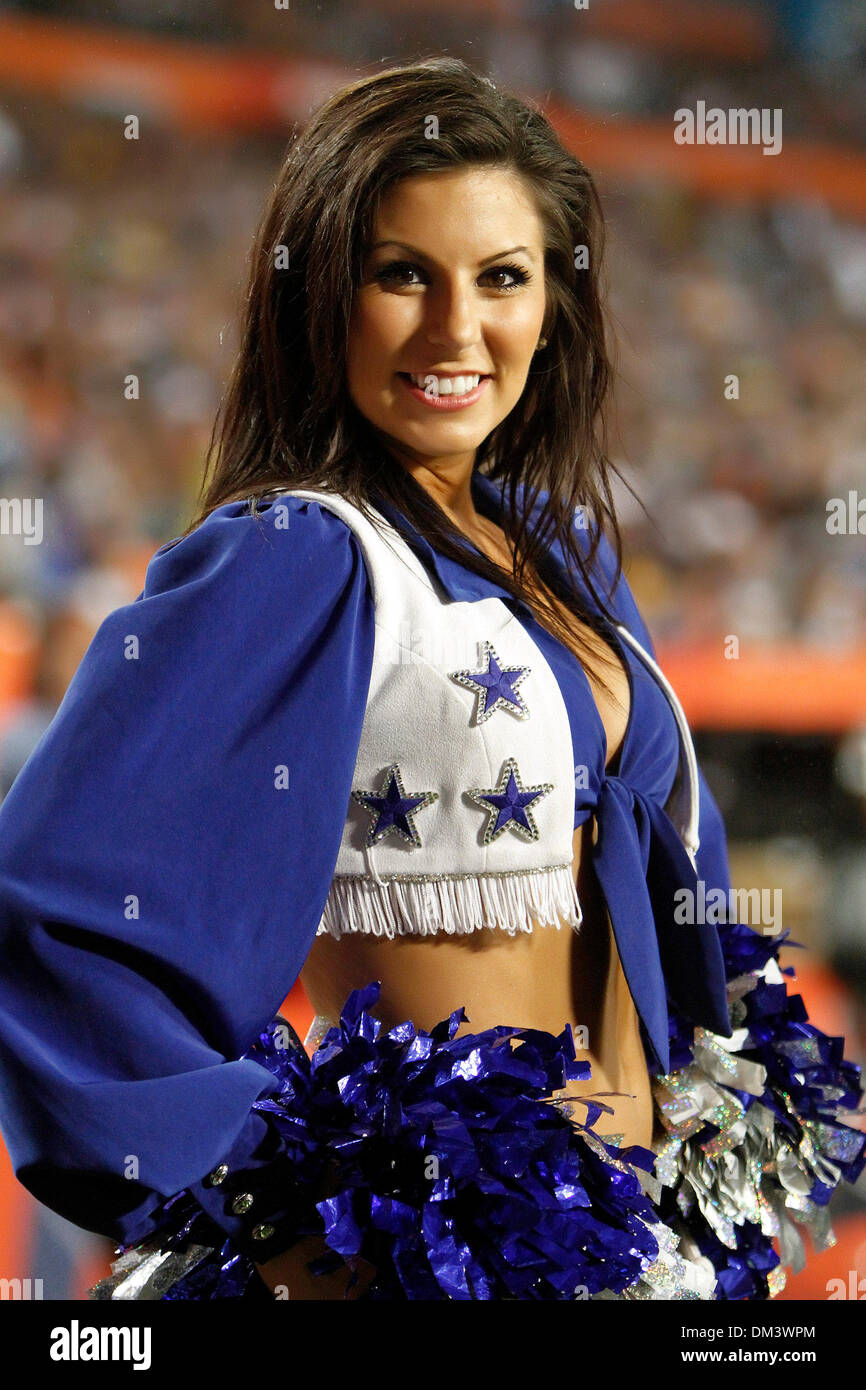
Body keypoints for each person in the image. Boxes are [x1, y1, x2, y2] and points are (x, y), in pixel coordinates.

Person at [0, 57, 862, 1303]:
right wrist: (279, 1207)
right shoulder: (298, 555)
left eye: (501, 277)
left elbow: (684, 913)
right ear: (321, 301)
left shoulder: (562, 556)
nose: (458, 329)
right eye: (403, 274)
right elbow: (52, 910)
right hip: (448, 1264)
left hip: (642, 1249)